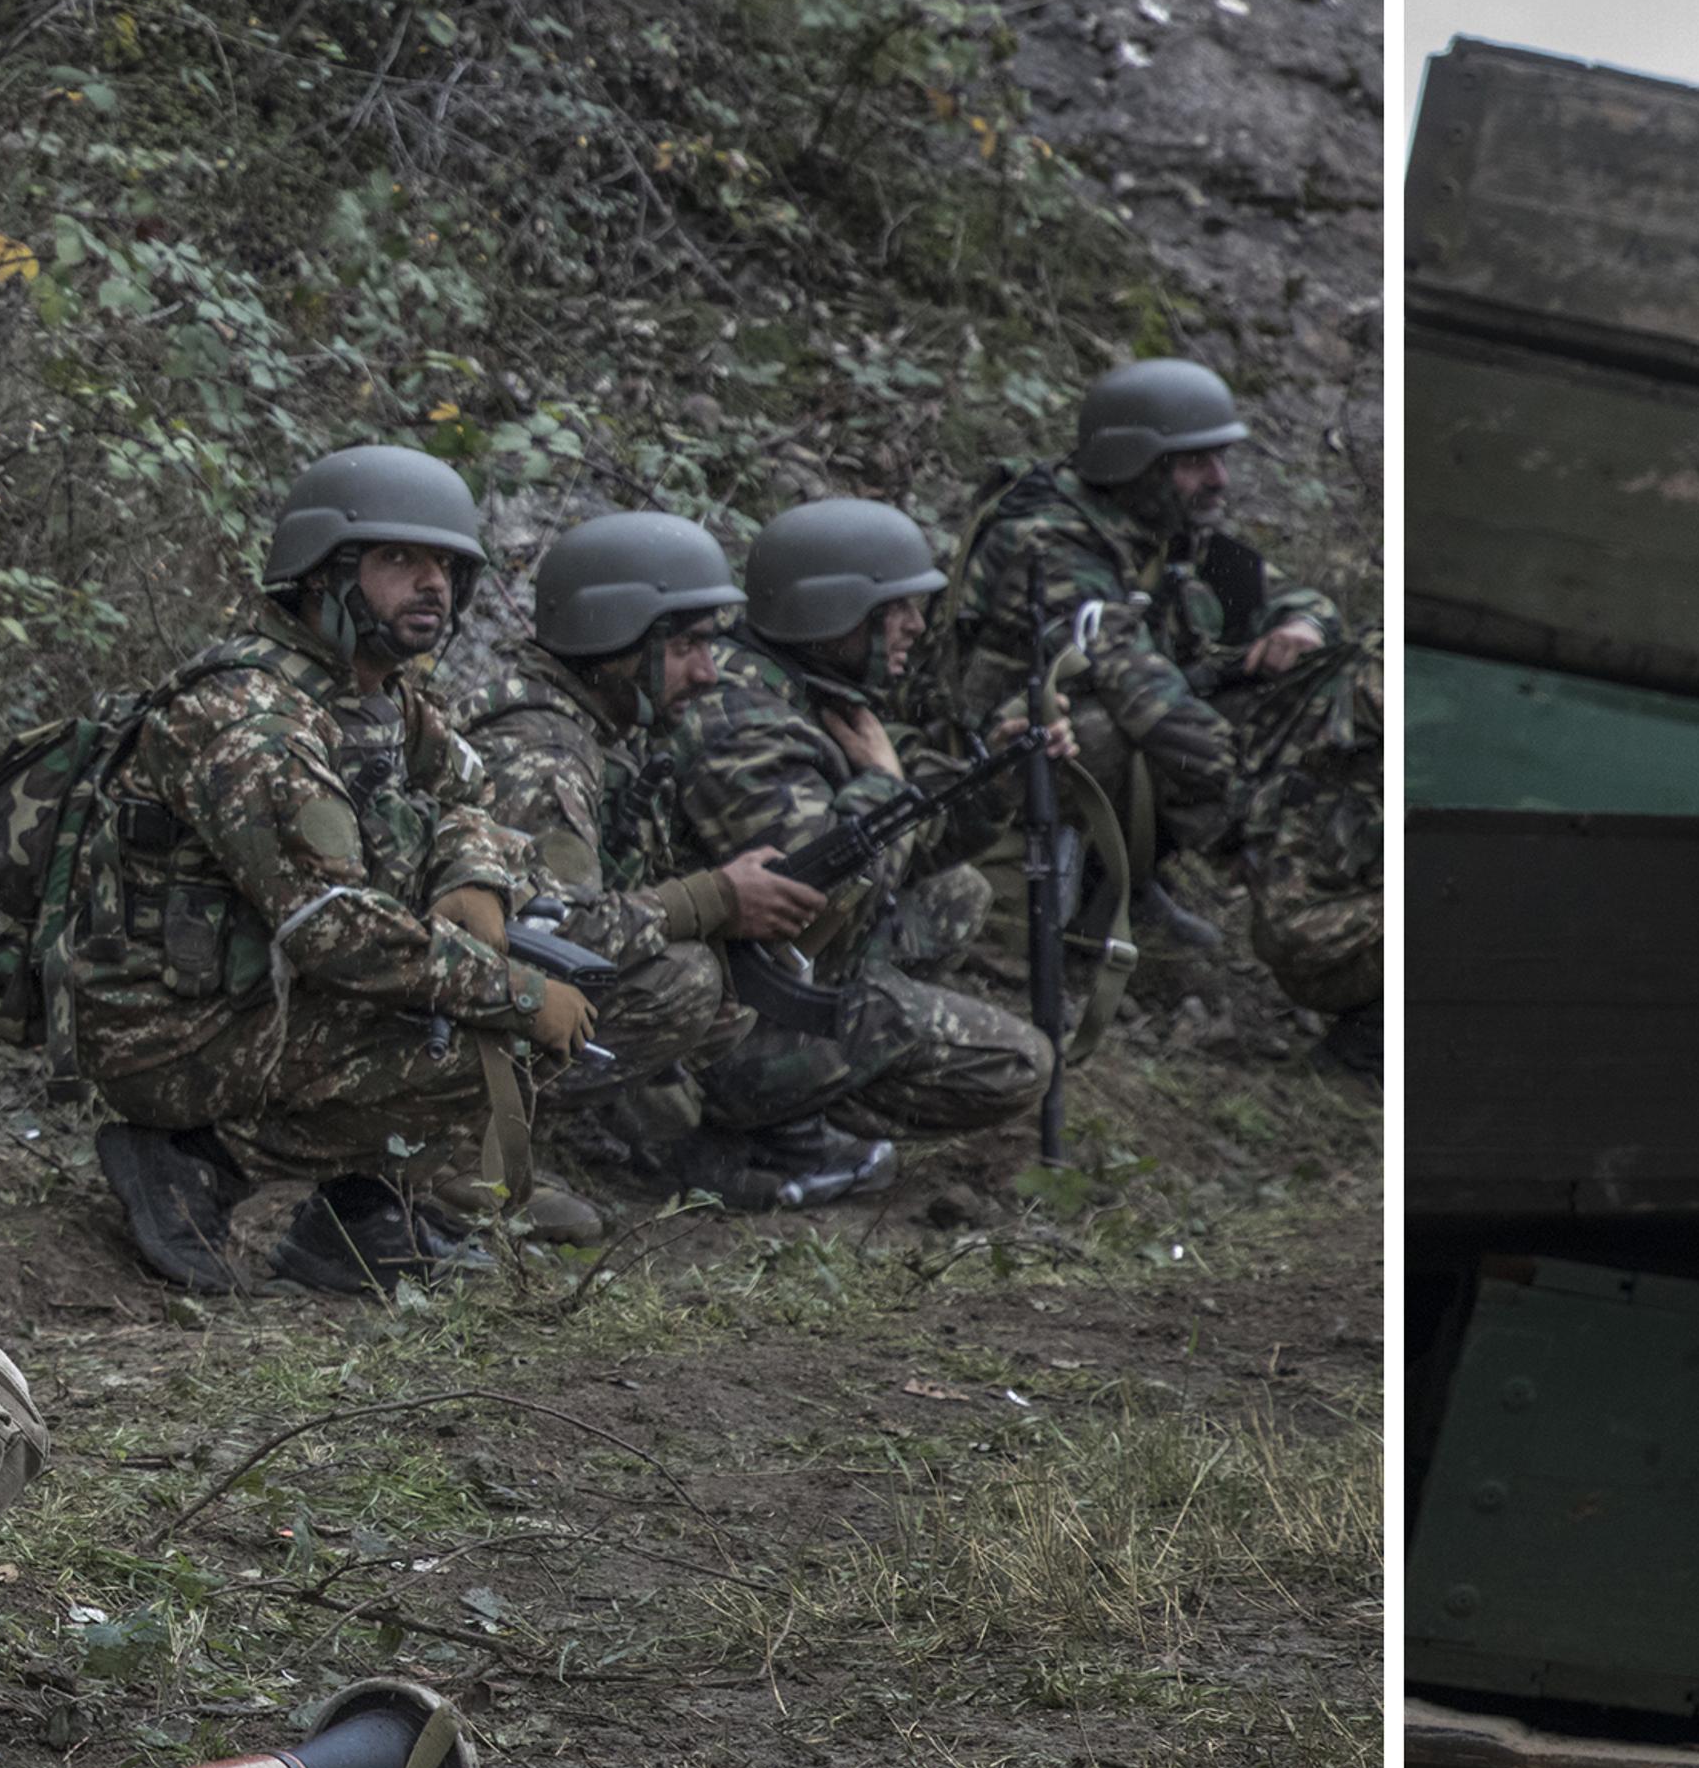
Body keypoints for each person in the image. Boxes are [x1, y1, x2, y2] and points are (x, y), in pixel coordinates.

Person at [0, 444, 580, 1296]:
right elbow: (335, 930)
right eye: (399, 559)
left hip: (262, 1000)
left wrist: (469, 872)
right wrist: (511, 991)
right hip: (169, 1032)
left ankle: (357, 1213)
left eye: (444, 563)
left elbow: (468, 790)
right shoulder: (251, 718)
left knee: (507, 998)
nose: (431, 583)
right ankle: (193, 1156)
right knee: (498, 1033)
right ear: (323, 571)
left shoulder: (379, 698)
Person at [934, 357, 1362, 1062]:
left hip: (1094, 727)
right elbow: (1142, 693)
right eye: (1196, 462)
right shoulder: (1051, 538)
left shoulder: (1160, 525)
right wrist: (1257, 802)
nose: (1219, 479)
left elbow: (1277, 592)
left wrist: (1301, 629)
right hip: (997, 761)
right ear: (1134, 461)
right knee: (1138, 737)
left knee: (1305, 685)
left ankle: (1124, 884)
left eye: (1220, 458)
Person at [646, 497, 1055, 1190]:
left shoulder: (801, 687)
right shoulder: (744, 724)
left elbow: (910, 851)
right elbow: (820, 891)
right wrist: (885, 780)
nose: (915, 628)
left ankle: (796, 1099)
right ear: (834, 612)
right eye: (896, 609)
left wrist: (1001, 778)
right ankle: (756, 1121)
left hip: (758, 974)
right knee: (1022, 1063)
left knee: (959, 896)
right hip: (711, 1031)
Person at [454, 507, 829, 1217]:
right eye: (687, 645)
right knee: (683, 977)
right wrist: (713, 898)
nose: (708, 670)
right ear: (615, 640)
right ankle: (467, 1153)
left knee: (718, 969)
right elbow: (554, 939)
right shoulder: (543, 752)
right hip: (442, 1014)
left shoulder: (595, 725)